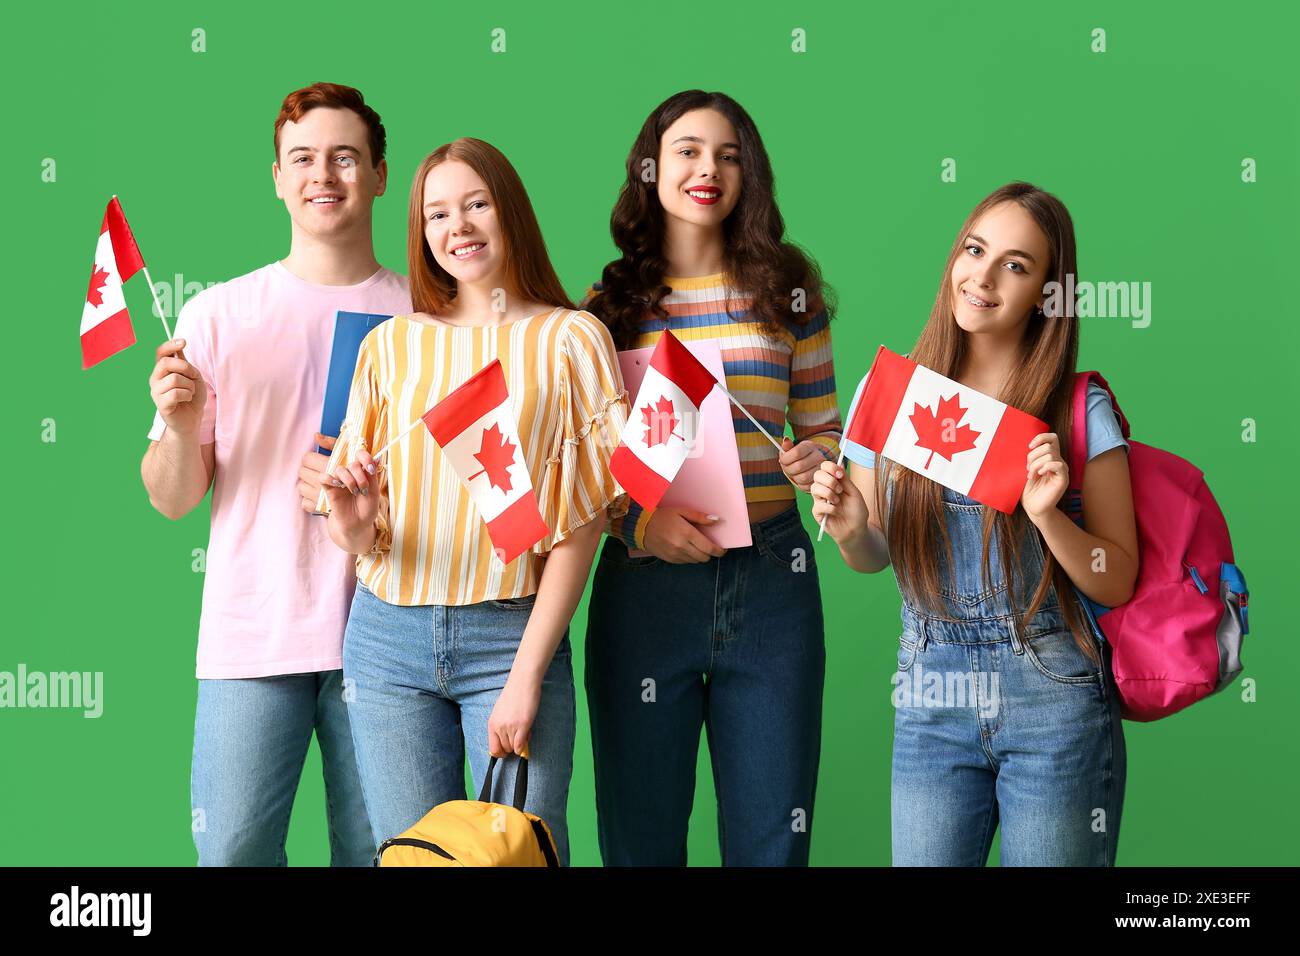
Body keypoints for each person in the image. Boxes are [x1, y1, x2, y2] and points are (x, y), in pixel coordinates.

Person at [317, 138, 628, 866]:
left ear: (509, 210)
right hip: (387, 639)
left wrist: (525, 677)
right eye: (437, 214)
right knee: (411, 857)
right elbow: (356, 530)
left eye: (476, 204)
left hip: (511, 636)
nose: (457, 226)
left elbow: (580, 523)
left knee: (519, 853)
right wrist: (352, 523)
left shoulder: (571, 340)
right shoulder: (390, 346)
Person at [811, 182, 1136, 866]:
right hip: (930, 691)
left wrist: (1047, 515)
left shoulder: (1079, 410)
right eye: (974, 250)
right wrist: (849, 528)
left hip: (1051, 695)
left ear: (1047, 293)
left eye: (1016, 265)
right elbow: (872, 555)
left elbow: (1116, 579)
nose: (983, 277)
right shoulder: (890, 394)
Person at [141, 82, 411, 866]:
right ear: (277, 177)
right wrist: (182, 427)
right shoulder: (217, 316)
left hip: (391, 637)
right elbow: (171, 499)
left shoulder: (424, 318)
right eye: (303, 158)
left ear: (379, 174)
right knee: (233, 851)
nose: (323, 174)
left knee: (383, 854)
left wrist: (374, 498)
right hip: (252, 634)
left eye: (345, 157)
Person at [582, 90, 842, 866]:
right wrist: (639, 524)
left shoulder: (789, 294)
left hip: (773, 583)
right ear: (650, 168)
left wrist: (817, 460)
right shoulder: (605, 310)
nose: (709, 170)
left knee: (772, 840)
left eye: (729, 156)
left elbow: (824, 431)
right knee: (639, 838)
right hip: (645, 587)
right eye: (689, 151)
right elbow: (586, 471)